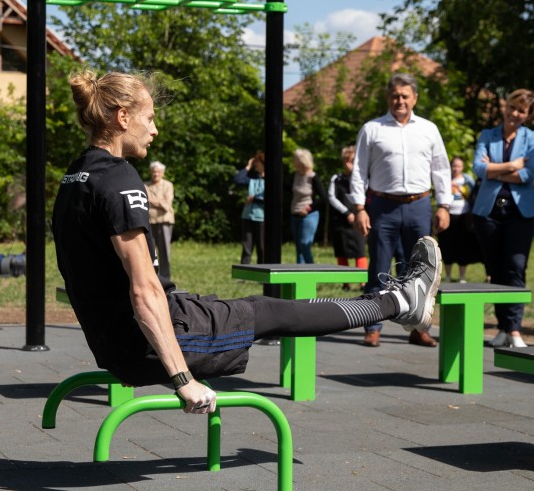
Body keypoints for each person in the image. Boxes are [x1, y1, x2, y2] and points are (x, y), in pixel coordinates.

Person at [52, 70, 442, 411]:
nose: (155, 129)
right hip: (148, 345)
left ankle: (398, 303)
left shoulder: (76, 176)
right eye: (149, 119)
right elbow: (144, 292)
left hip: (116, 343)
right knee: (269, 312)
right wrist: (182, 379)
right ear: (122, 118)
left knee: (233, 306)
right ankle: (400, 301)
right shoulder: (120, 181)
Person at [349, 73, 452, 348]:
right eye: (395, 96)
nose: (400, 101)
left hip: (419, 205)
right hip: (382, 207)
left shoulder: (429, 129)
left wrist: (444, 205)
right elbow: (359, 170)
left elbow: (441, 169)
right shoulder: (372, 129)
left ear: (415, 98)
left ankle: (418, 329)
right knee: (379, 268)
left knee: (421, 272)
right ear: (388, 98)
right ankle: (372, 326)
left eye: (405, 96)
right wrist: (359, 208)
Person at [472, 90, 534, 348]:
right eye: (512, 108)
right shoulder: (487, 135)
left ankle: (514, 329)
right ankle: (502, 327)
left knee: (515, 267)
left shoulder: (532, 138)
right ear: (505, 107)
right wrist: (513, 166)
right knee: (495, 271)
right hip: (488, 213)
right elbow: (479, 168)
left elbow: (530, 172)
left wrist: (495, 171)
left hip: (519, 213)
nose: (515, 114)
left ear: (527, 115)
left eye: (521, 111)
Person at [327, 145, 368, 282]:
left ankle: (362, 281)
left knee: (360, 250)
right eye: (347, 160)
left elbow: (362, 192)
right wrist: (346, 213)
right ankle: (345, 281)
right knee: (342, 250)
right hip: (341, 220)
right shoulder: (336, 179)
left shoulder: (362, 179)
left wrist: (352, 176)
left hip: (358, 218)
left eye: (352, 160)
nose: (349, 164)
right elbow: (331, 197)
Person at [441, 157, 482, 283]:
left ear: (462, 167)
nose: (456, 168)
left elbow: (473, 196)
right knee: (447, 246)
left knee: (463, 247)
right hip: (448, 216)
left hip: (464, 217)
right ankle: (447, 276)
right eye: (454, 166)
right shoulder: (444, 180)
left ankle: (462, 277)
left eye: (458, 166)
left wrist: (460, 190)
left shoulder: (467, 180)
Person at [289, 148, 324, 264]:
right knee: (299, 248)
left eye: (295, 159)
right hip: (295, 214)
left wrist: (309, 208)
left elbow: (324, 198)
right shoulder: (295, 176)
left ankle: (311, 271)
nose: (292, 161)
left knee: (305, 245)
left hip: (308, 216)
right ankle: (299, 276)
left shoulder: (313, 177)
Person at [233, 152, 266, 264]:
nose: (255, 165)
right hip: (247, 216)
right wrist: (247, 167)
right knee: (247, 248)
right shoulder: (252, 179)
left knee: (262, 248)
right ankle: (244, 274)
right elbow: (237, 179)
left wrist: (254, 199)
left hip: (261, 218)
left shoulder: (270, 180)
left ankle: (262, 272)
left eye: (257, 163)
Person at [144, 160, 174, 281]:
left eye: (158, 172)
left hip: (164, 220)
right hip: (150, 221)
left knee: (164, 250)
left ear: (163, 173)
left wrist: (153, 201)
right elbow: (144, 200)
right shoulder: (145, 185)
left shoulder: (168, 185)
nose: (155, 174)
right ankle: (151, 276)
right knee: (149, 250)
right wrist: (159, 202)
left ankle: (165, 276)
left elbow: (167, 205)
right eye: (153, 171)